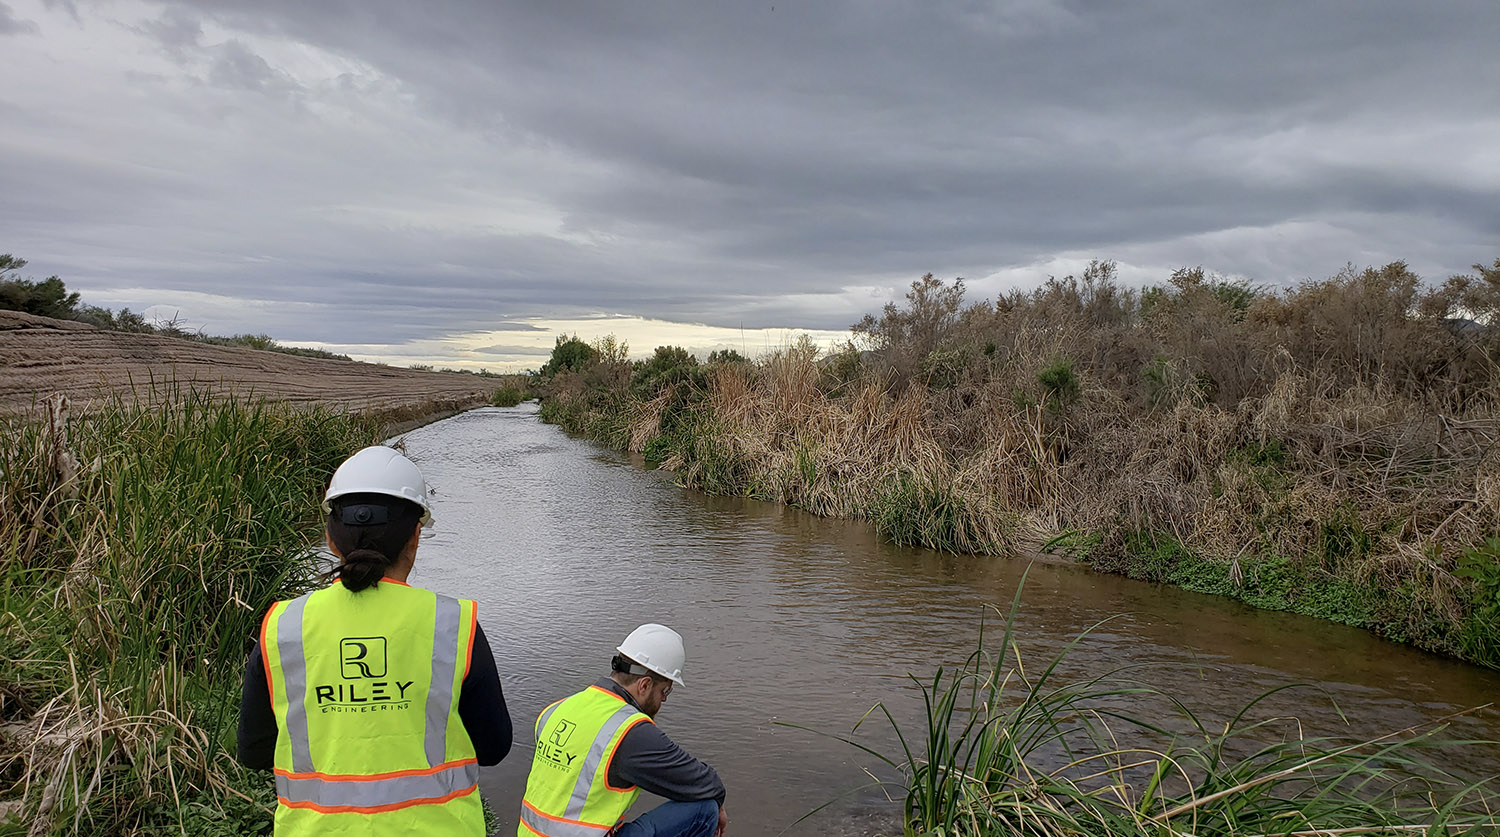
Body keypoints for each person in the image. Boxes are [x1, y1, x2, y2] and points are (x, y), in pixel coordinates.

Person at [237, 445, 513, 834]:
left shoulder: (282, 626)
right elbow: (493, 748)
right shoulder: (453, 624)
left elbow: (254, 751)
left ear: (331, 539)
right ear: (415, 536)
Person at [517, 624, 728, 837]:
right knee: (705, 809)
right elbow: (706, 783)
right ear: (644, 685)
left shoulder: (555, 710)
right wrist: (719, 806)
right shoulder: (630, 731)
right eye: (665, 690)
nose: (664, 699)